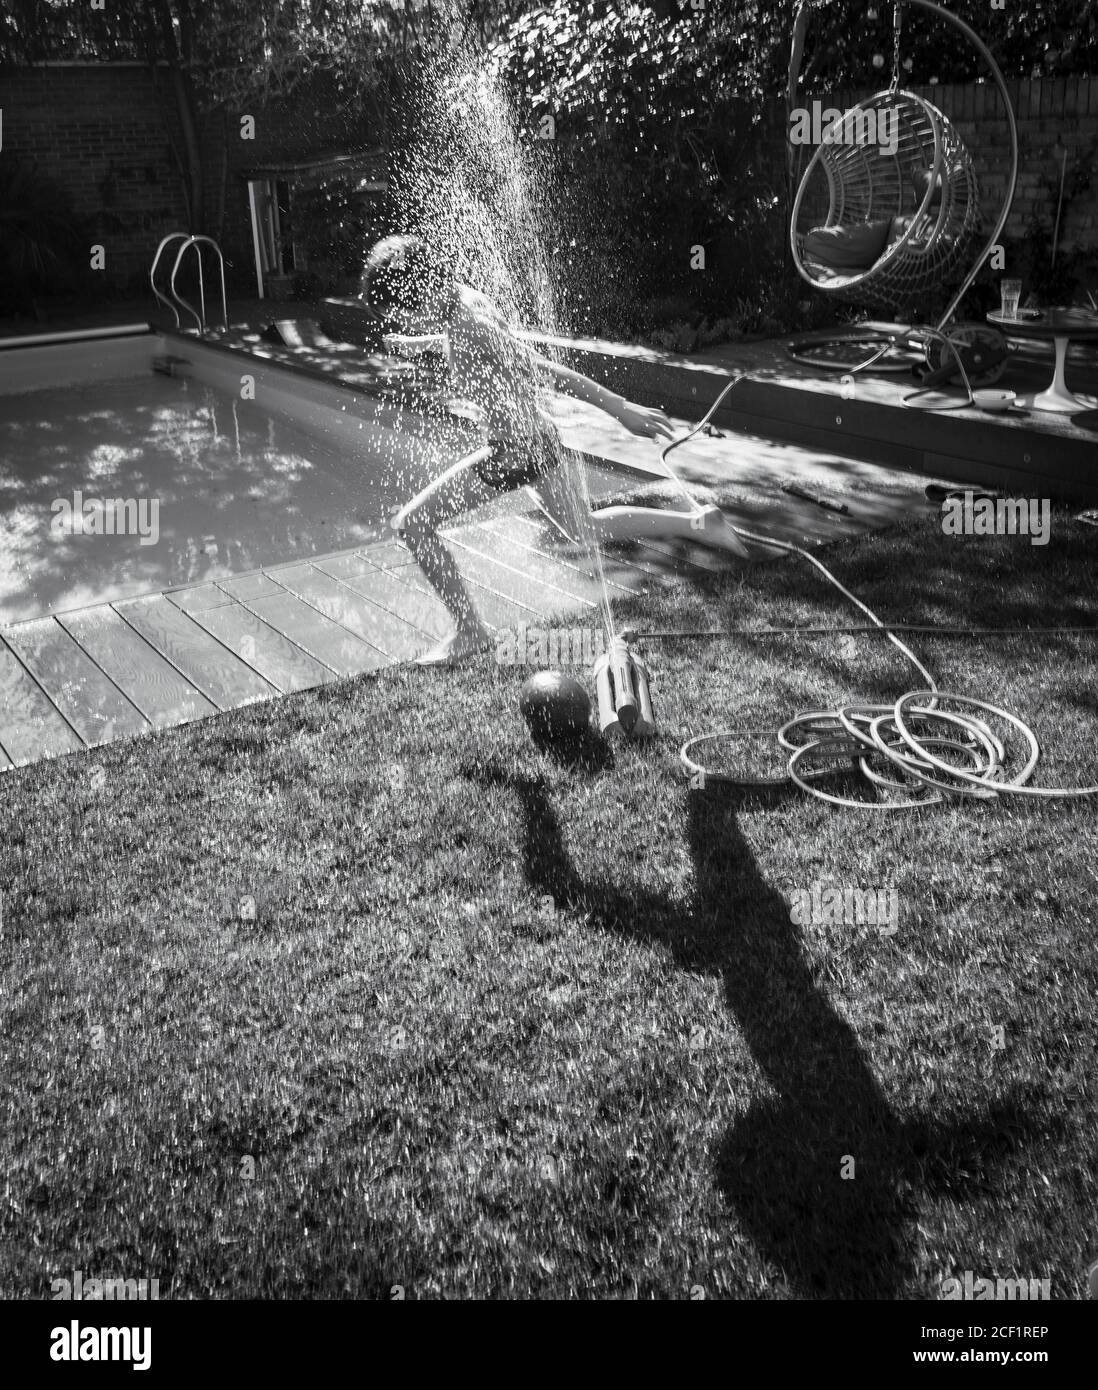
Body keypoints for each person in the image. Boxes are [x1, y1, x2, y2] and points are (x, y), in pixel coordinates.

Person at [362, 235, 749, 665]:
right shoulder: (464, 300)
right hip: (535, 441)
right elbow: (470, 343)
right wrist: (414, 345)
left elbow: (544, 370)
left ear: (418, 291)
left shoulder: (469, 326)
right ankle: (697, 522)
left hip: (515, 451)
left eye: (401, 313)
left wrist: (620, 409)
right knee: (583, 527)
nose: (406, 321)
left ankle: (470, 631)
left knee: (411, 524)